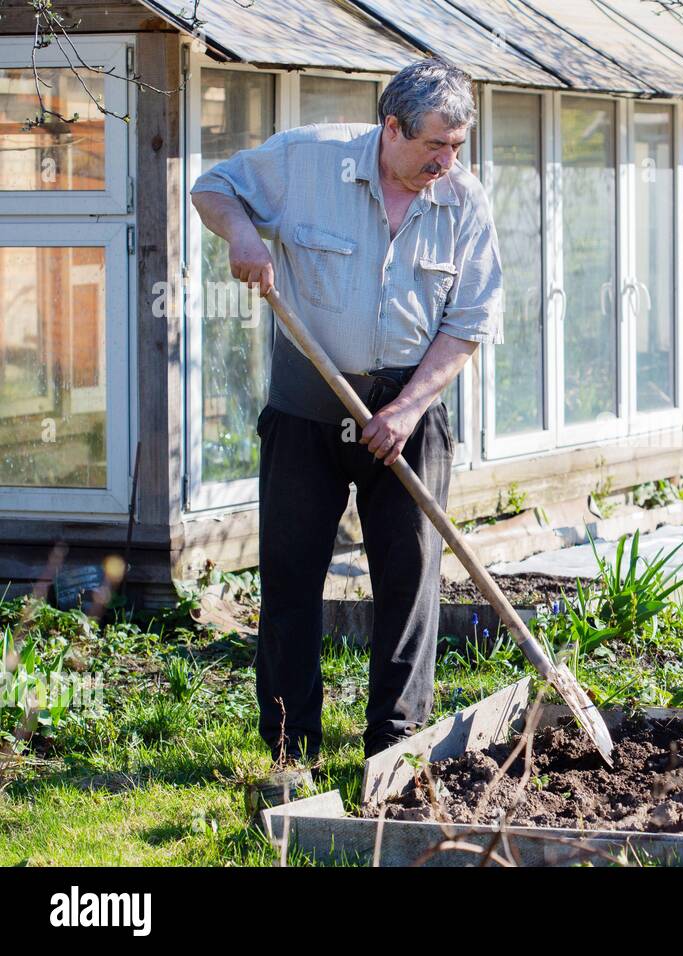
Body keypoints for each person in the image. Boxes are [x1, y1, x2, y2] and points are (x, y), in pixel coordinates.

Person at [190, 56, 503, 762]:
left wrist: (408, 409)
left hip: (408, 410)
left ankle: (394, 741)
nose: (447, 163)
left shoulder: (464, 202)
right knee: (292, 575)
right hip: (308, 402)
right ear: (390, 128)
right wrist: (242, 236)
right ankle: (288, 742)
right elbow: (213, 188)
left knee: (410, 579)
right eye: (434, 146)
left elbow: (468, 321)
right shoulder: (307, 162)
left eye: (458, 147)